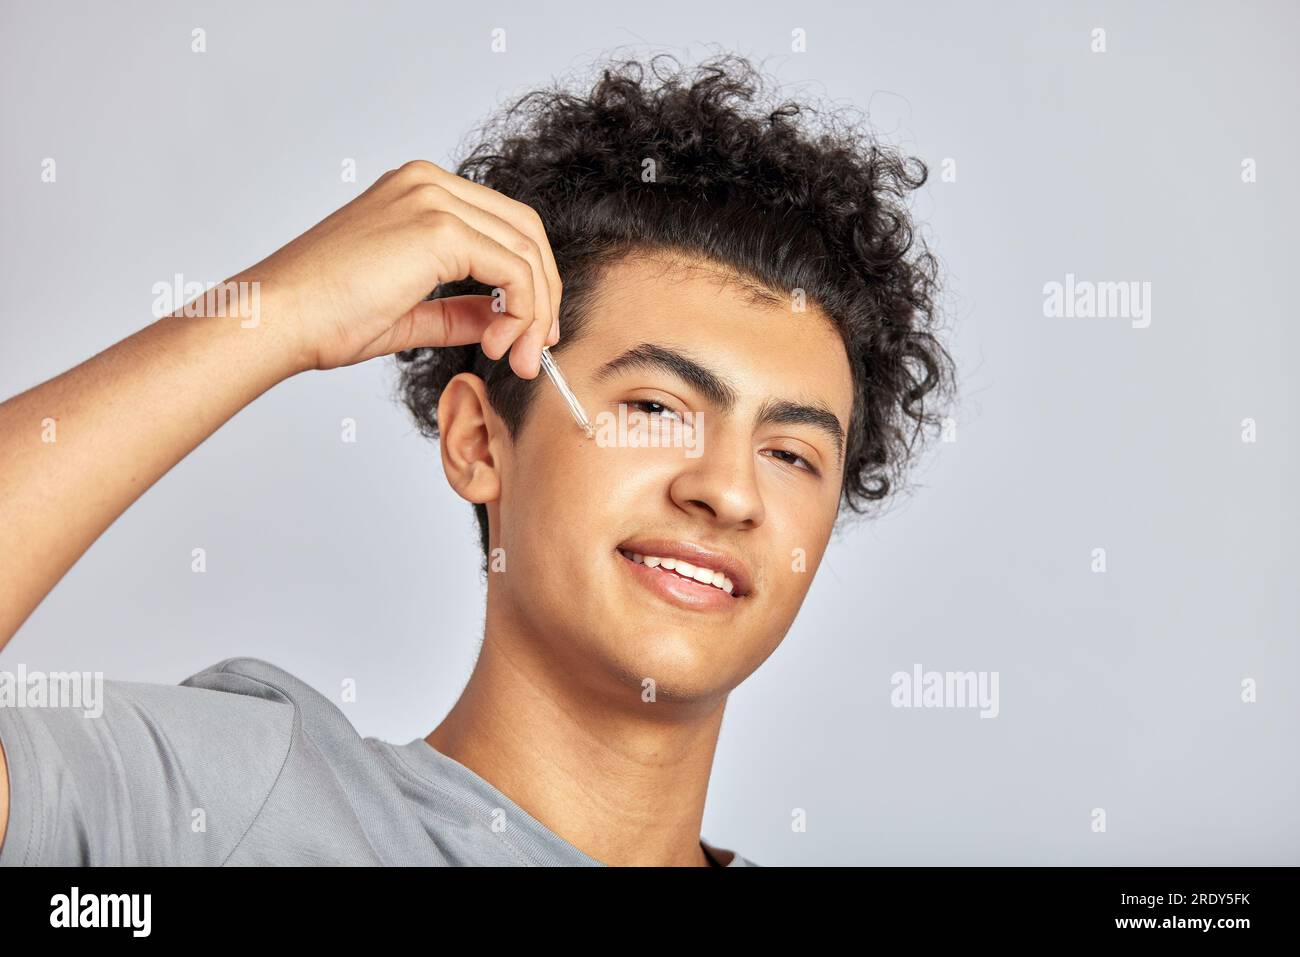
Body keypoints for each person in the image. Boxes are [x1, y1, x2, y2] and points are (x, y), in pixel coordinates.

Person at [0, 53, 954, 866]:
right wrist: (274, 314)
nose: (728, 491)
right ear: (477, 442)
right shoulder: (236, 806)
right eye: (658, 407)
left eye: (790, 452)